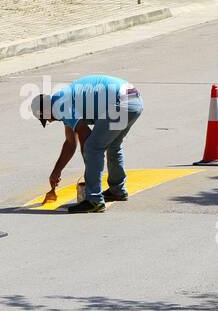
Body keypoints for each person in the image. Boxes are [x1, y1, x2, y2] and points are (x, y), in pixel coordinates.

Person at [31, 75, 144, 213]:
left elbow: (85, 135)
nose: (49, 122)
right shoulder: (63, 102)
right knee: (113, 144)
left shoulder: (59, 105)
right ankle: (117, 190)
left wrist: (90, 170)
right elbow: (70, 143)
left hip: (121, 102)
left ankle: (94, 200)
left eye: (45, 118)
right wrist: (56, 171)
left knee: (93, 147)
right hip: (134, 100)